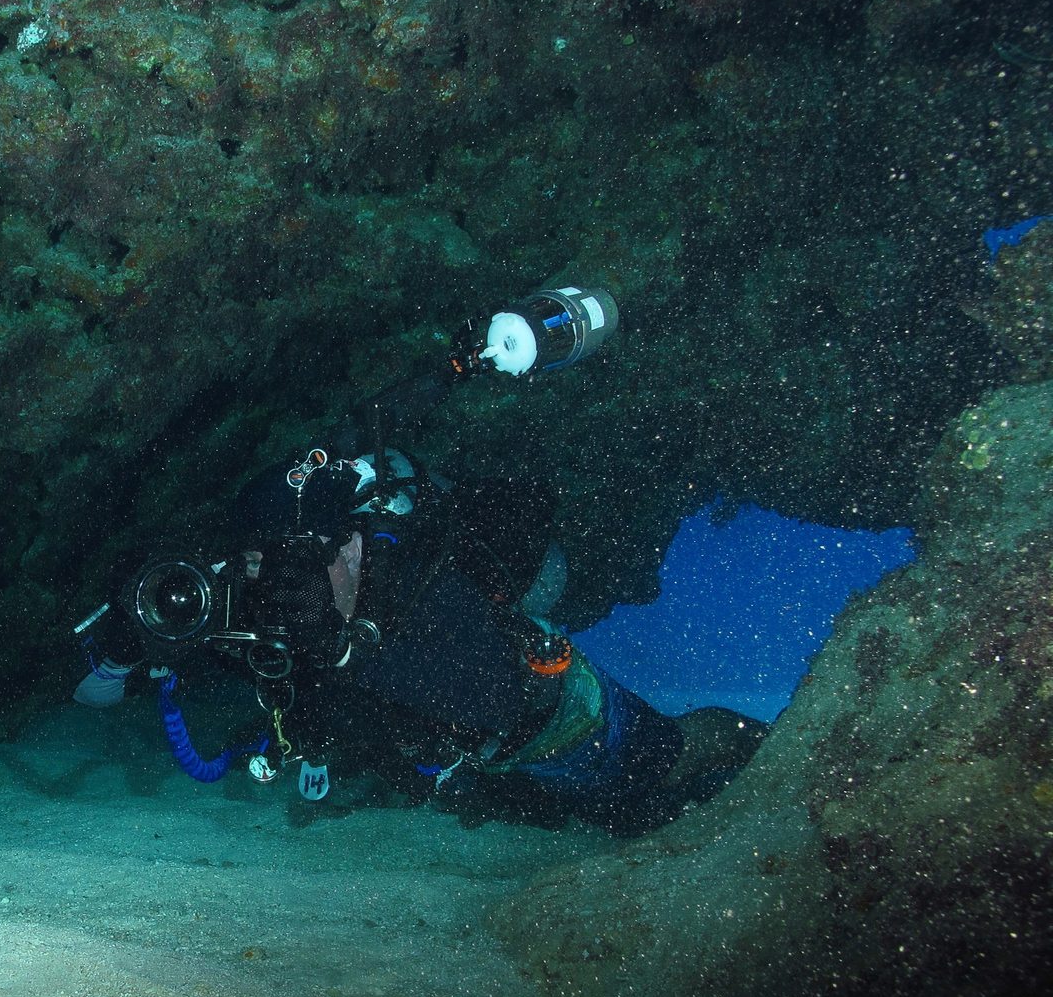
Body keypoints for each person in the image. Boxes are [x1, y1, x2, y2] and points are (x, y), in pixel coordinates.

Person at [72, 284, 767, 835]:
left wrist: (461, 365)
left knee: (660, 764)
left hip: (541, 707)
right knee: (605, 812)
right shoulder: (241, 633)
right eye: (169, 606)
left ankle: (763, 747)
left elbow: (496, 699)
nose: (197, 593)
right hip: (477, 755)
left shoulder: (345, 548)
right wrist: (132, 646)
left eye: (180, 575)